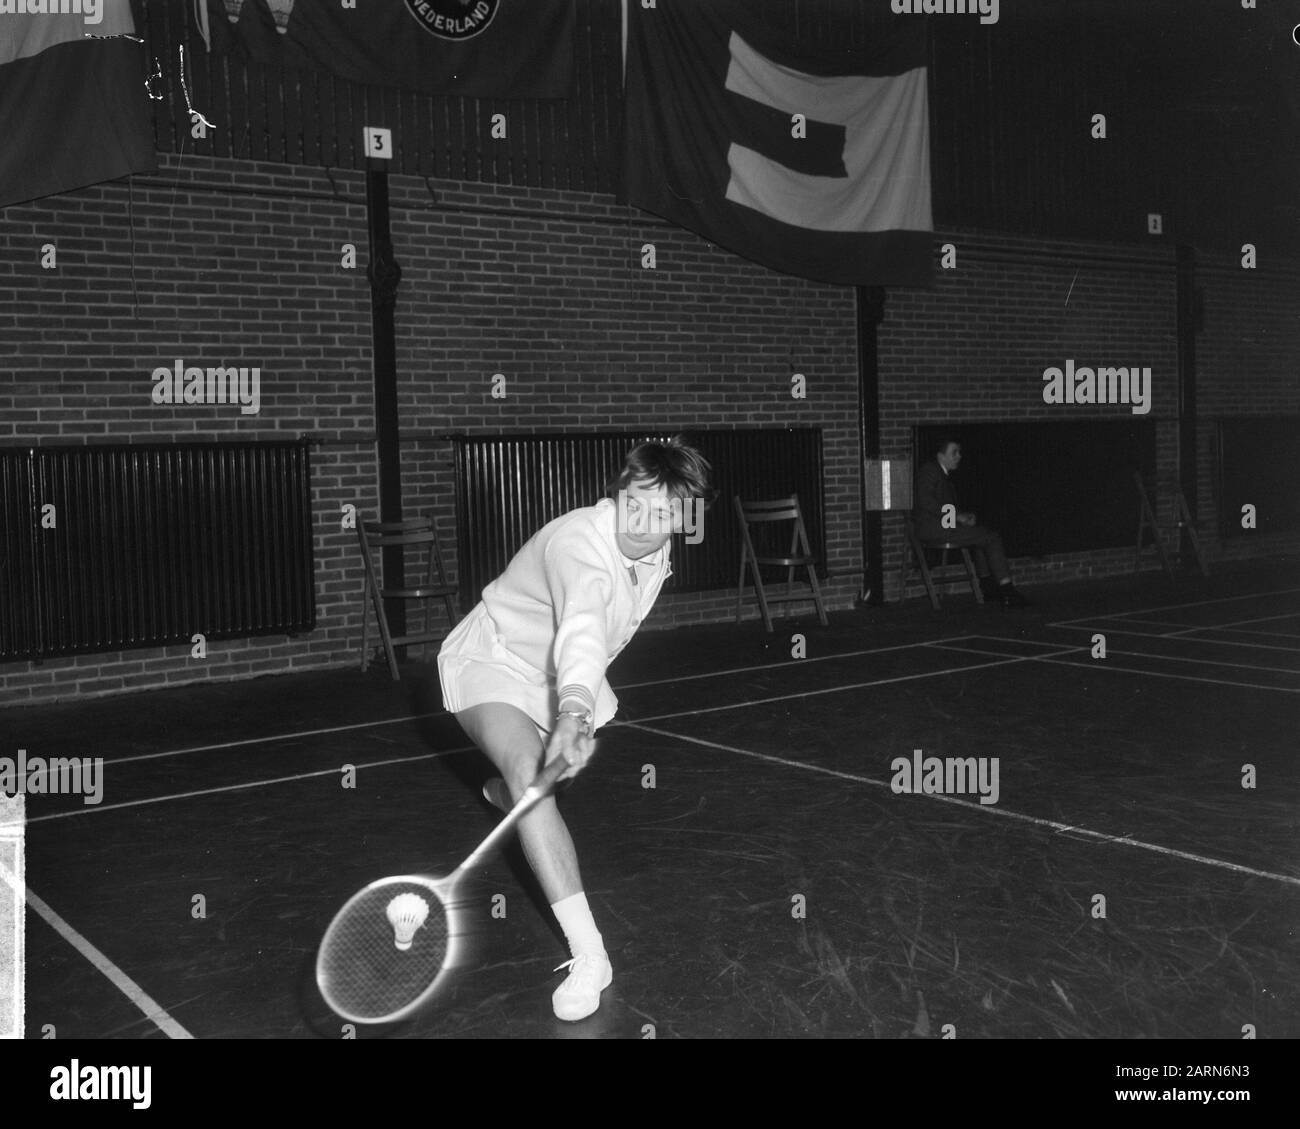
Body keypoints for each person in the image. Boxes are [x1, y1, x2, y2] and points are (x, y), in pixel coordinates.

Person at [437, 436, 714, 1021]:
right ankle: (591, 955)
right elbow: (584, 624)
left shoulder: (657, 547)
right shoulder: (578, 545)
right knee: (532, 779)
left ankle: (503, 794)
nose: (644, 524)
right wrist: (575, 710)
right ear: (617, 492)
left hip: (557, 673)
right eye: (636, 503)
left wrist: (574, 703)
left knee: (533, 787)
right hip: (494, 658)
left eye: (665, 513)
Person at [912, 438, 1029, 608]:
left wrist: (962, 518)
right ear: (941, 456)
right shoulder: (929, 471)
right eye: (954, 453)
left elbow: (940, 508)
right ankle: (1006, 589)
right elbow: (927, 503)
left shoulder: (941, 475)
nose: (959, 456)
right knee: (992, 537)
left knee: (980, 533)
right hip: (934, 530)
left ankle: (987, 586)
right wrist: (958, 517)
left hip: (941, 526)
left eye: (959, 452)